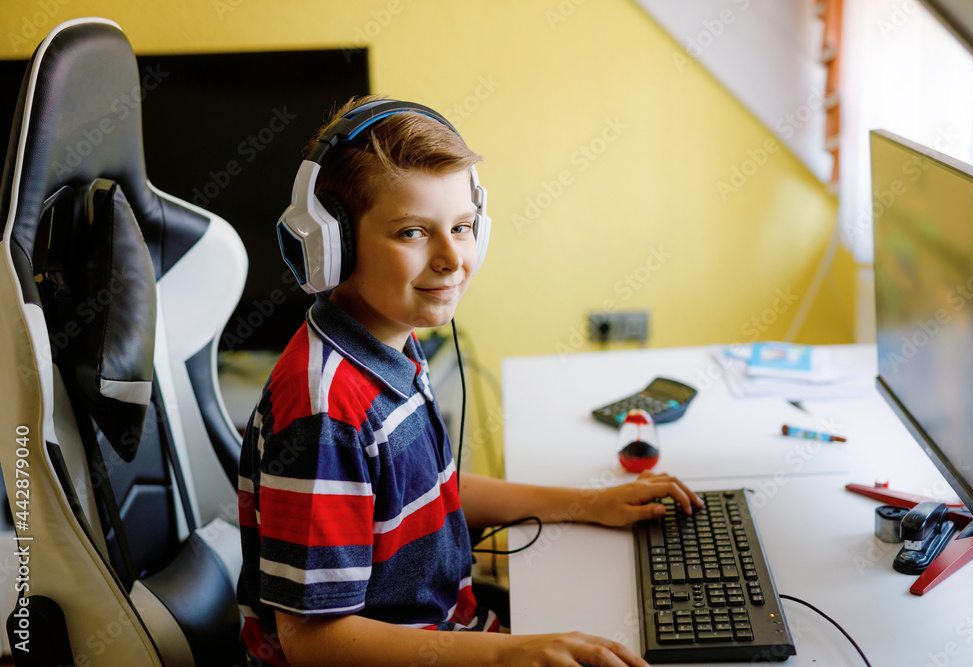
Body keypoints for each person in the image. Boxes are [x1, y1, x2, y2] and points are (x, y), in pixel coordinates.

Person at [237, 95, 703, 667]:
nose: (452, 258)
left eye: (462, 226)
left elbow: (434, 493)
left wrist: (591, 504)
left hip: (450, 631)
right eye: (412, 233)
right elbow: (313, 643)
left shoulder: (389, 343)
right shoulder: (325, 409)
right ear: (331, 246)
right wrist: (512, 653)